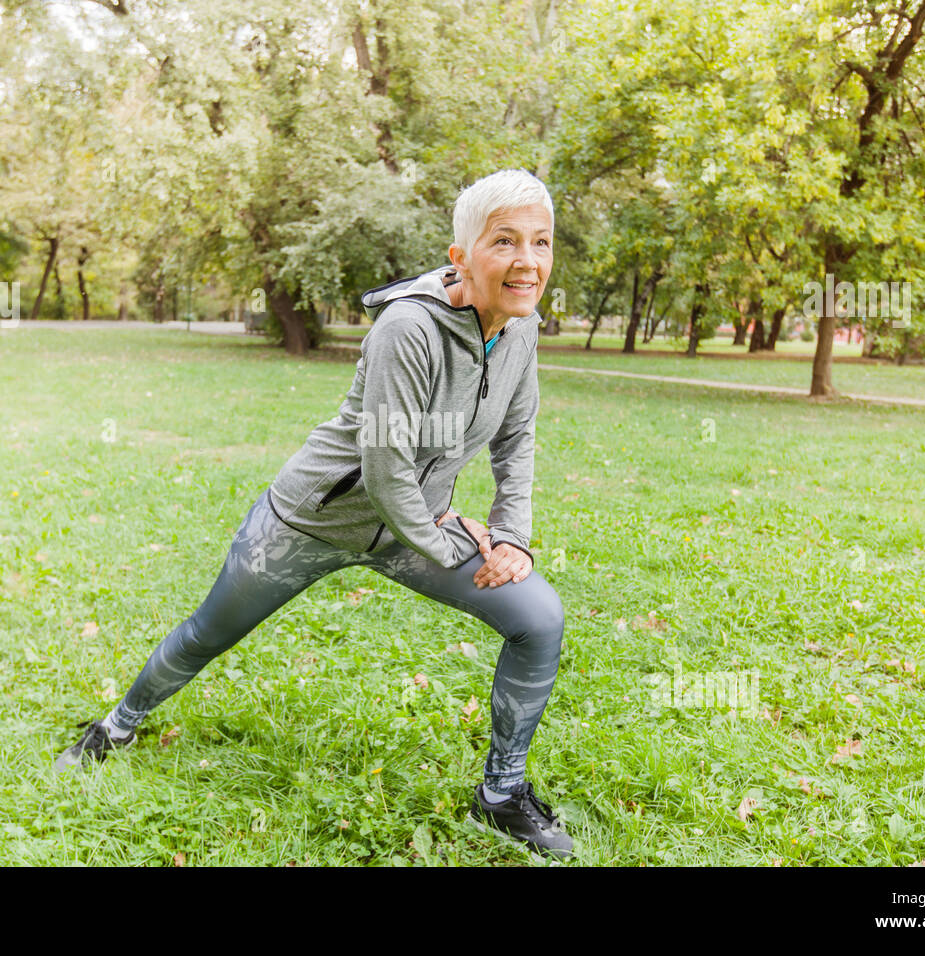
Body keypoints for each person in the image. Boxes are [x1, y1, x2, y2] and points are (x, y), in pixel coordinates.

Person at [54, 168, 572, 860]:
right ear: (462, 256)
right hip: (311, 520)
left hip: (415, 527)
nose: (527, 260)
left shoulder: (522, 329)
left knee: (538, 616)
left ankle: (502, 794)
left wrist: (511, 537)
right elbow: (386, 469)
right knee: (208, 632)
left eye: (540, 242)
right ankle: (117, 725)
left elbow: (517, 438)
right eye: (505, 241)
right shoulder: (408, 328)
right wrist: (448, 545)